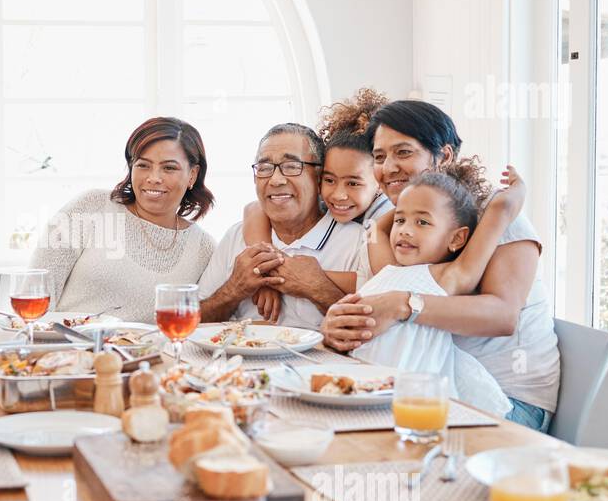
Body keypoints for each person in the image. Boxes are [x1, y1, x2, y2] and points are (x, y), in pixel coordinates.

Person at [321, 100, 560, 430]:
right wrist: (341, 327)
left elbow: (502, 316)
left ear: (445, 157)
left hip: (505, 399)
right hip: (424, 385)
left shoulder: (492, 214)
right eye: (379, 157)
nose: (388, 167)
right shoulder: (385, 228)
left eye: (403, 152)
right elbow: (386, 301)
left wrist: (405, 305)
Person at [348, 161, 526, 416]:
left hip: (409, 403)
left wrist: (517, 190)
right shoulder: (387, 267)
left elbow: (501, 209)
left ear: (456, 238)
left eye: (422, 222)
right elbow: (375, 229)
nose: (406, 231)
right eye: (400, 220)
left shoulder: (449, 276)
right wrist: (415, 193)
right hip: (361, 389)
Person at [28, 117, 216, 324]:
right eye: (143, 165)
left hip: (147, 356)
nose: (154, 177)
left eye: (169, 168)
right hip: (67, 350)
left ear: (192, 175)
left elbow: (198, 325)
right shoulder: (91, 207)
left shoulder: (203, 248)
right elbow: (35, 293)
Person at [242, 89, 392, 322]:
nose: (339, 194)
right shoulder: (326, 200)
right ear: (319, 177)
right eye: (330, 180)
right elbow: (253, 209)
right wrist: (265, 265)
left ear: (379, 181)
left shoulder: (383, 218)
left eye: (353, 183)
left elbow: (378, 283)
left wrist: (282, 271)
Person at [198, 123, 365, 326]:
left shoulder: (356, 240)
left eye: (292, 167)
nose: (276, 180)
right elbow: (193, 319)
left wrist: (317, 287)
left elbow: (370, 331)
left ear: (320, 176)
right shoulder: (237, 235)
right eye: (265, 168)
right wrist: (234, 289)